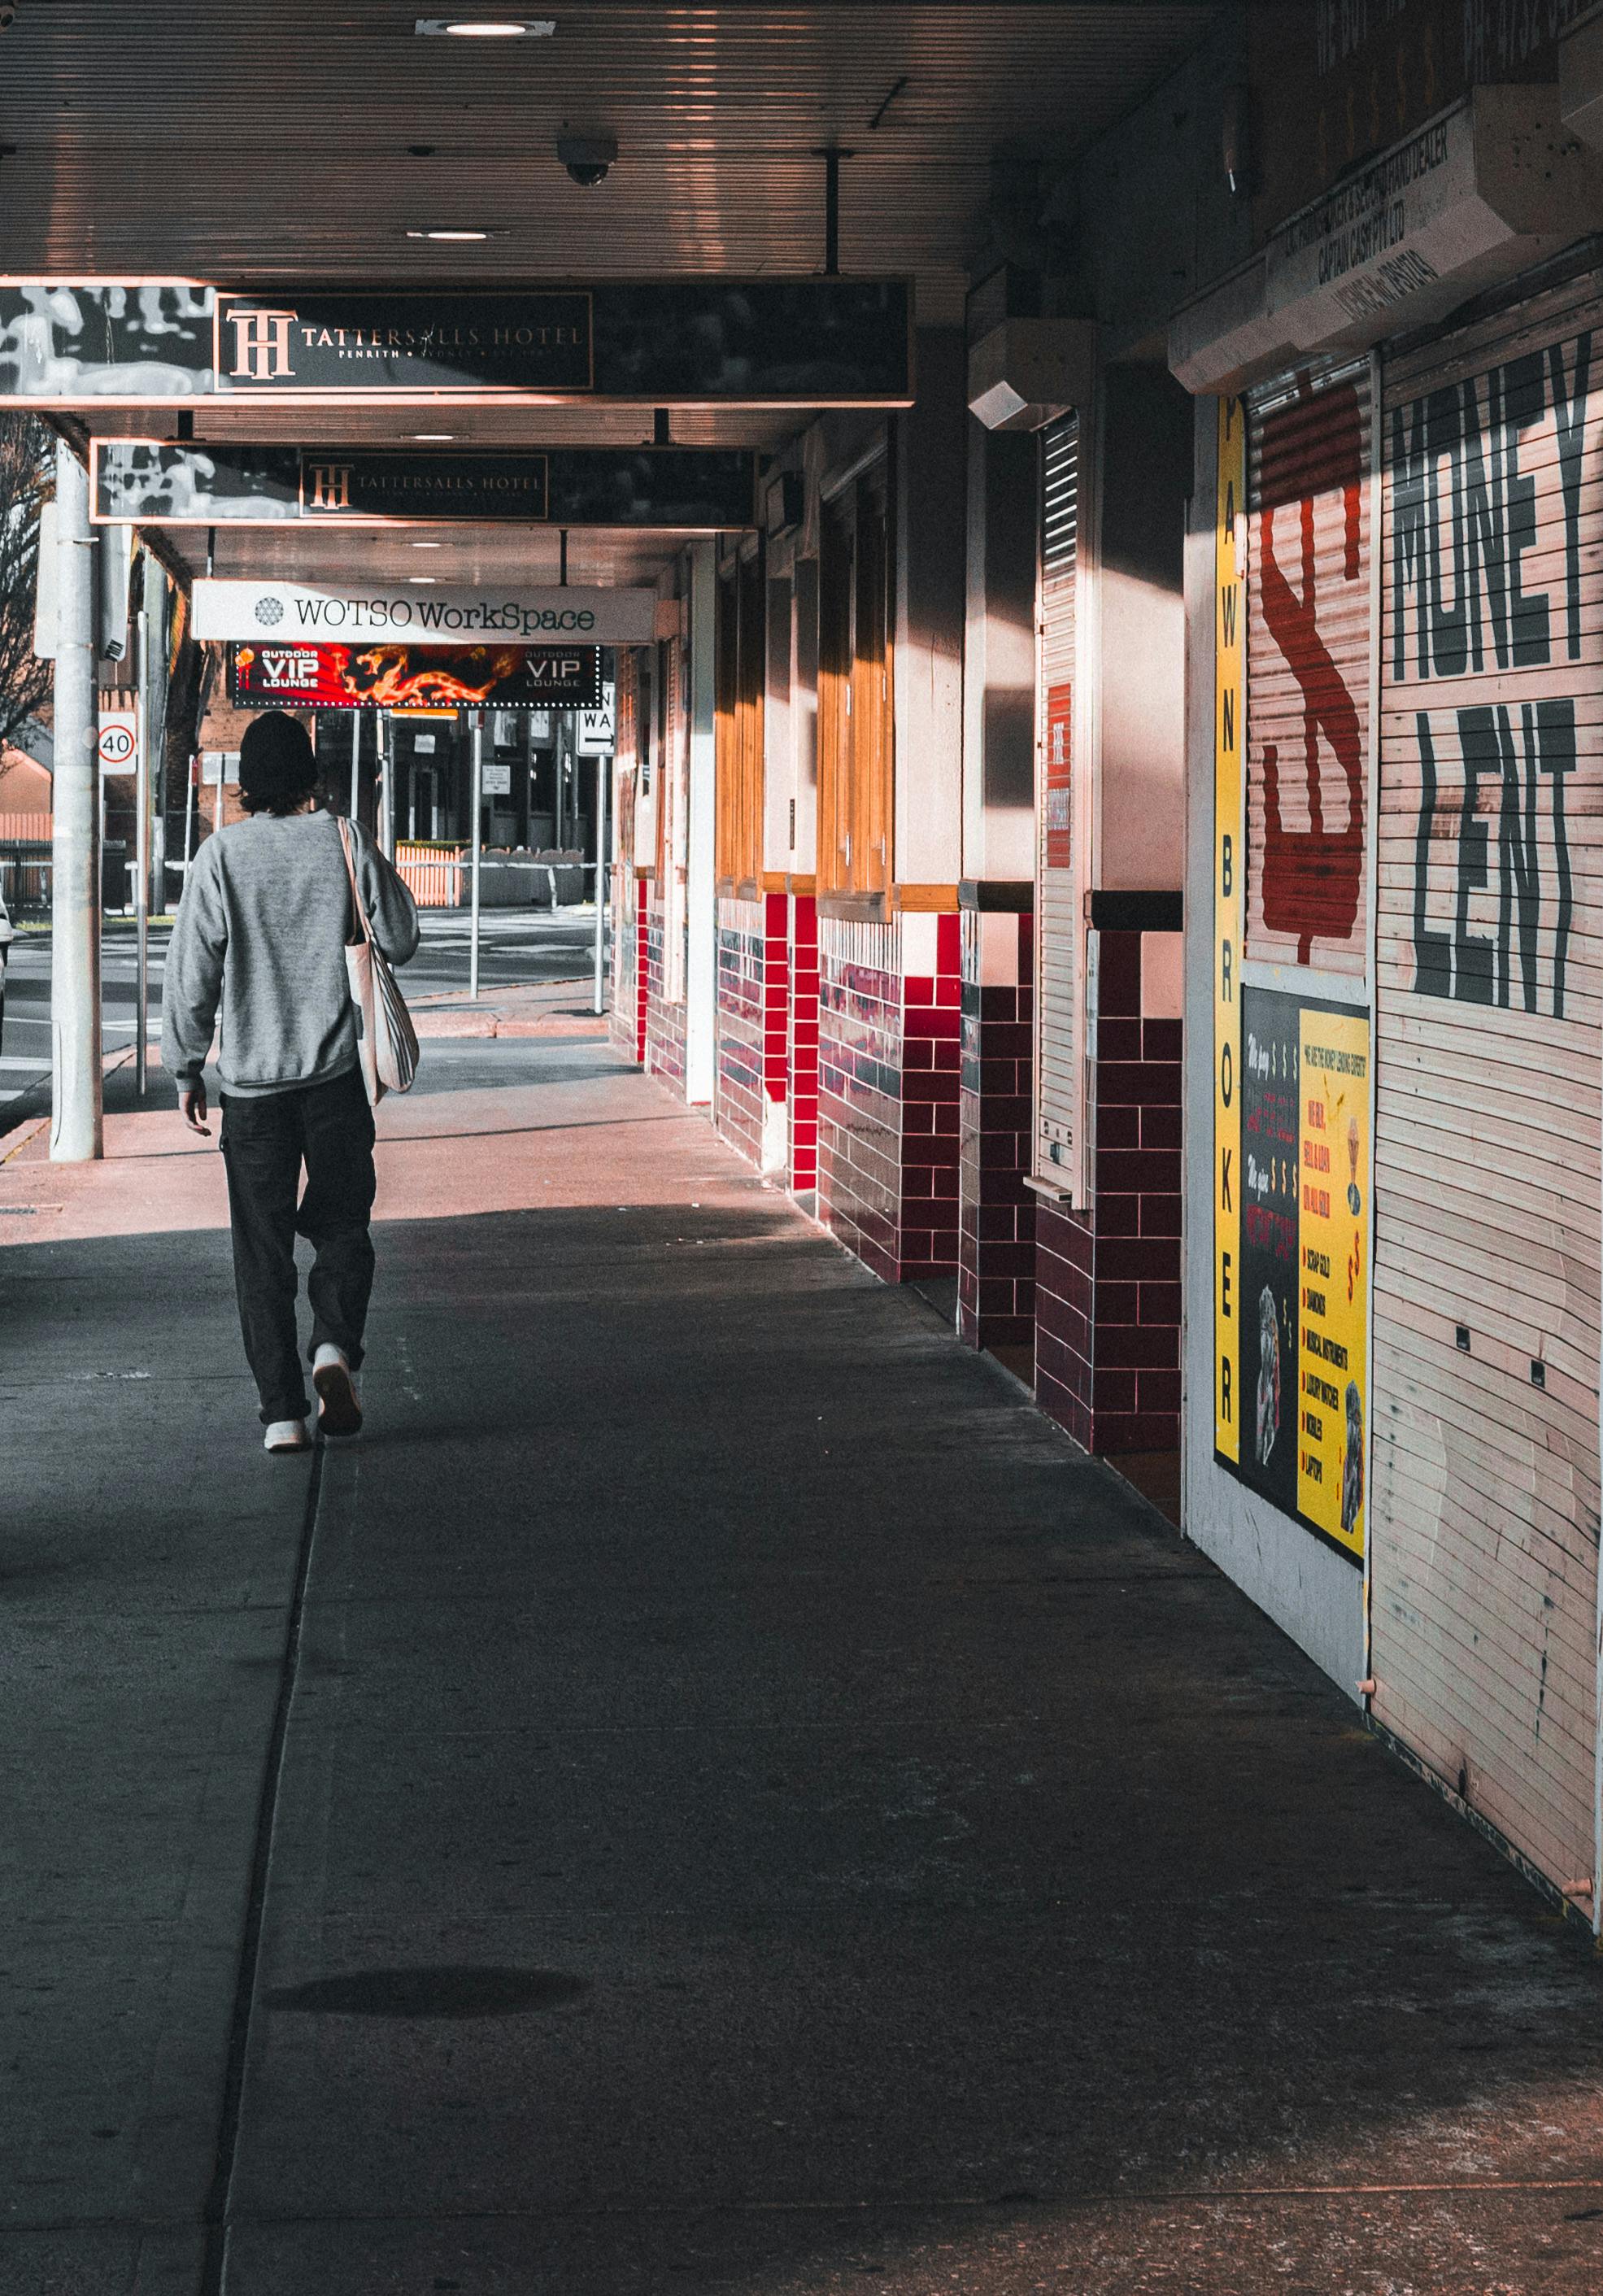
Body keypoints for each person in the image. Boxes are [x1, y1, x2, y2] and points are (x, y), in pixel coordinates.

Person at [163, 710, 420, 1453]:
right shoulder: (340, 838)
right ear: (309, 774)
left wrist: (186, 1067)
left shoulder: (220, 856)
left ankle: (282, 1414)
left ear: (244, 784)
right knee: (344, 1225)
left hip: (252, 1092)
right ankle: (334, 1345)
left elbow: (192, 979)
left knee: (262, 1251)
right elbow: (400, 935)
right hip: (335, 1081)